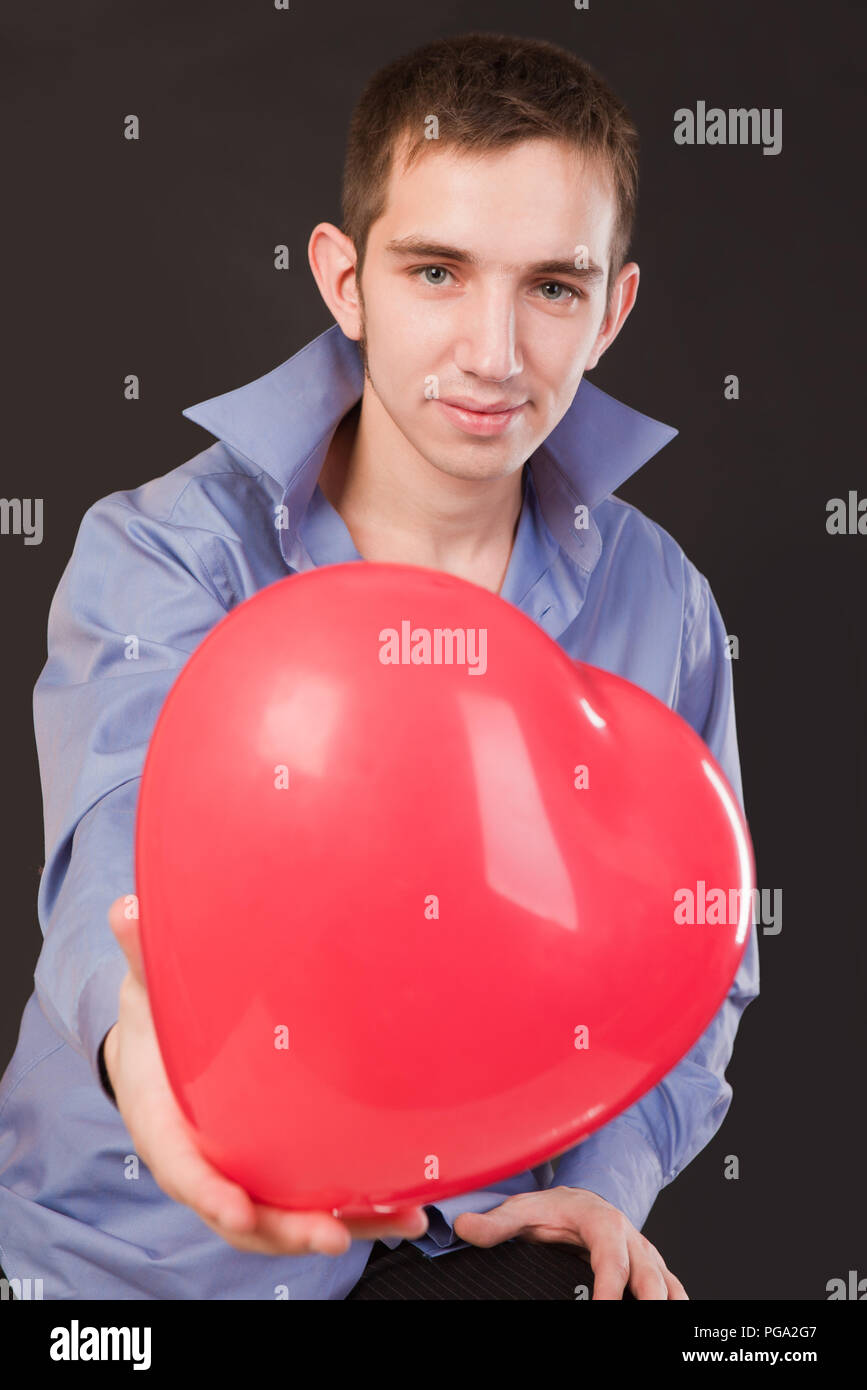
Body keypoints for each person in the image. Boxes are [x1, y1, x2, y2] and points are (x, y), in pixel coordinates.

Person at [0, 32, 759, 1301]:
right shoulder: (166, 552)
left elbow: (701, 955)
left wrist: (603, 1183)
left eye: (554, 288)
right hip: (127, 1267)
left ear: (615, 307)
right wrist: (162, 1083)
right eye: (438, 272)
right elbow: (112, 866)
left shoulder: (663, 603)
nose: (494, 353)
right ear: (346, 281)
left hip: (478, 1251)